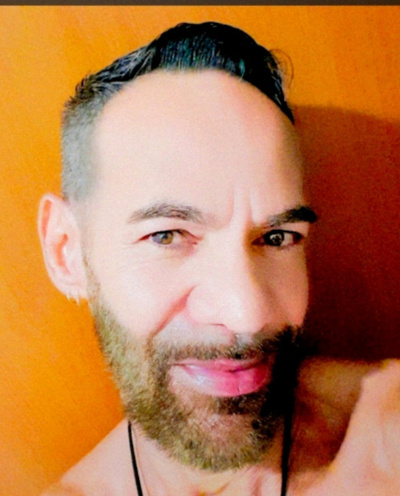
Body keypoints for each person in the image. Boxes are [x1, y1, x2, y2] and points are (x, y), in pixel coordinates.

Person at [38, 21, 400, 496]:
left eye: (277, 237)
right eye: (167, 235)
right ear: (67, 252)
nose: (247, 314)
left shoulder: (383, 434)